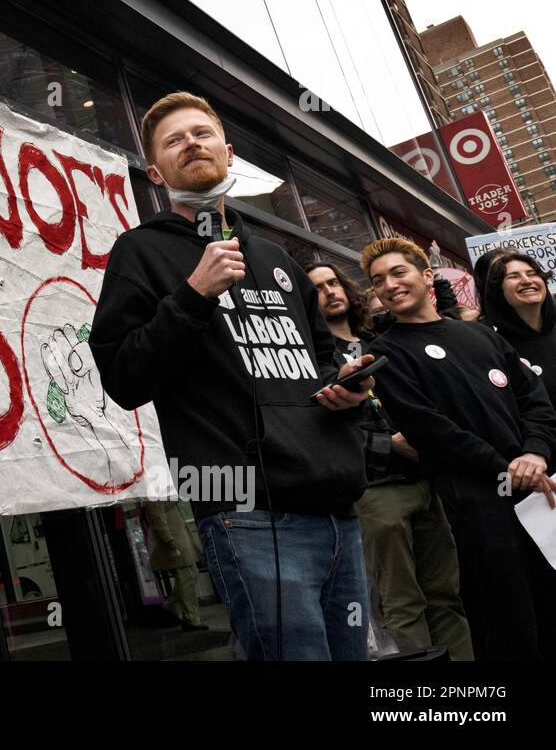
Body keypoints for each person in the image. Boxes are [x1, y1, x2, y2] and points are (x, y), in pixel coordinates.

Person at [89, 90, 372, 661]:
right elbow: (123, 378)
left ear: (228, 151)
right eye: (174, 141)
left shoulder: (277, 256)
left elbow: (320, 361)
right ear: (155, 171)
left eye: (201, 133)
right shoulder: (139, 252)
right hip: (243, 509)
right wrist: (192, 295)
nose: (191, 143)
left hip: (336, 505)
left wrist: (349, 391)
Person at [363, 237, 556, 660]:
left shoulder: (480, 334)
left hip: (536, 489)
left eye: (399, 272)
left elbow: (533, 398)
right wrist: (508, 466)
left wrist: (536, 452)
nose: (390, 285)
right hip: (473, 503)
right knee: (506, 617)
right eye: (379, 280)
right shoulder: (385, 355)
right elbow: (432, 431)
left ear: (426, 275)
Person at [305, 263, 472, 659]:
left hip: (425, 478)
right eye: (318, 289)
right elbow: (315, 427)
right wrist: (388, 443)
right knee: (402, 601)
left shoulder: (381, 339)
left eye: (334, 282)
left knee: (446, 594)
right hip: (376, 489)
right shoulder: (314, 357)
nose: (330, 292)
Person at [481, 251, 556, 405]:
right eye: (513, 276)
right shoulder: (496, 349)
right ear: (498, 291)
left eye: (532, 274)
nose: (527, 280)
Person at [142, 500, 207, 632]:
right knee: (187, 577)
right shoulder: (154, 492)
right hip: (174, 540)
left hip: (179, 536)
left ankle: (171, 607)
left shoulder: (162, 489)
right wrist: (169, 541)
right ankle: (191, 618)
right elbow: (157, 517)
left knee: (190, 574)